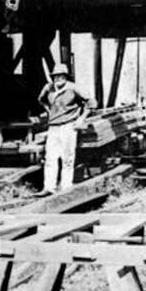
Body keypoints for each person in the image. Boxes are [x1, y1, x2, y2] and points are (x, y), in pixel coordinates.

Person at [36, 63, 93, 194]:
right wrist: (50, 111)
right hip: (53, 127)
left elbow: (91, 102)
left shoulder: (73, 88)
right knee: (50, 158)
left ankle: (65, 187)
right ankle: (49, 187)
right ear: (53, 77)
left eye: (61, 76)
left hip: (68, 126)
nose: (58, 78)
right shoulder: (48, 88)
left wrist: (81, 119)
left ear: (66, 77)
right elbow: (41, 100)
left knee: (67, 158)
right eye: (56, 76)